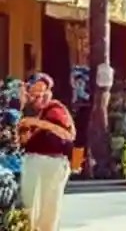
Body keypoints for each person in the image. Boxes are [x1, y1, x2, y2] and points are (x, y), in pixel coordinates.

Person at [18, 73, 74, 231]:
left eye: (43, 92)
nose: (39, 97)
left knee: (49, 209)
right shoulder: (26, 111)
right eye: (35, 93)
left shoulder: (56, 109)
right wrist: (24, 132)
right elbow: (22, 141)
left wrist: (38, 124)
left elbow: (67, 134)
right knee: (29, 205)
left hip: (54, 161)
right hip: (32, 160)